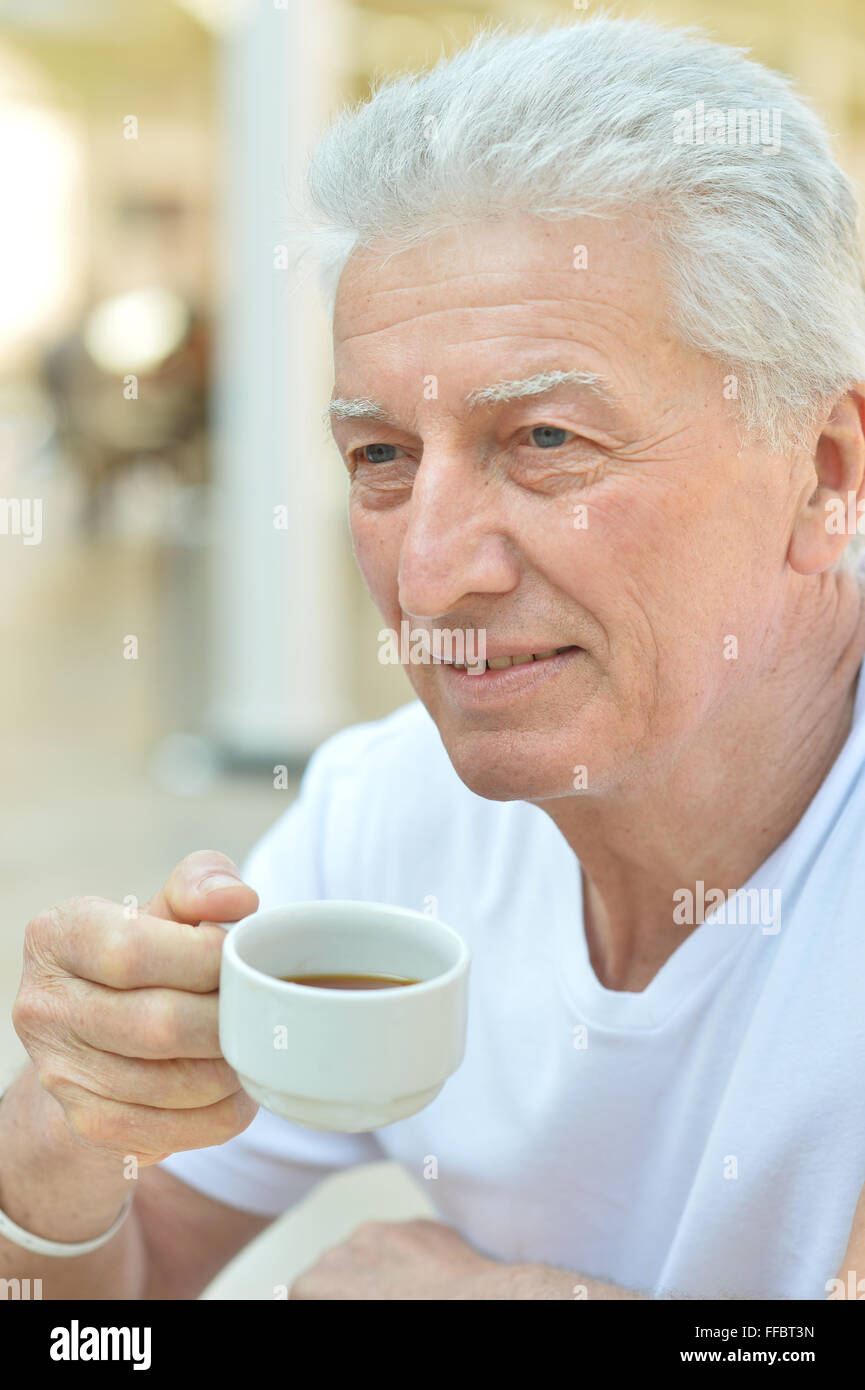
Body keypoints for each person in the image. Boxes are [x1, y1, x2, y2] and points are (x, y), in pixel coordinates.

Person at [4, 15, 865, 1300]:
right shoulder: (386, 817)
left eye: (548, 440)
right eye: (381, 458)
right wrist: (64, 1140)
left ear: (824, 477)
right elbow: (101, 1327)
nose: (428, 573)